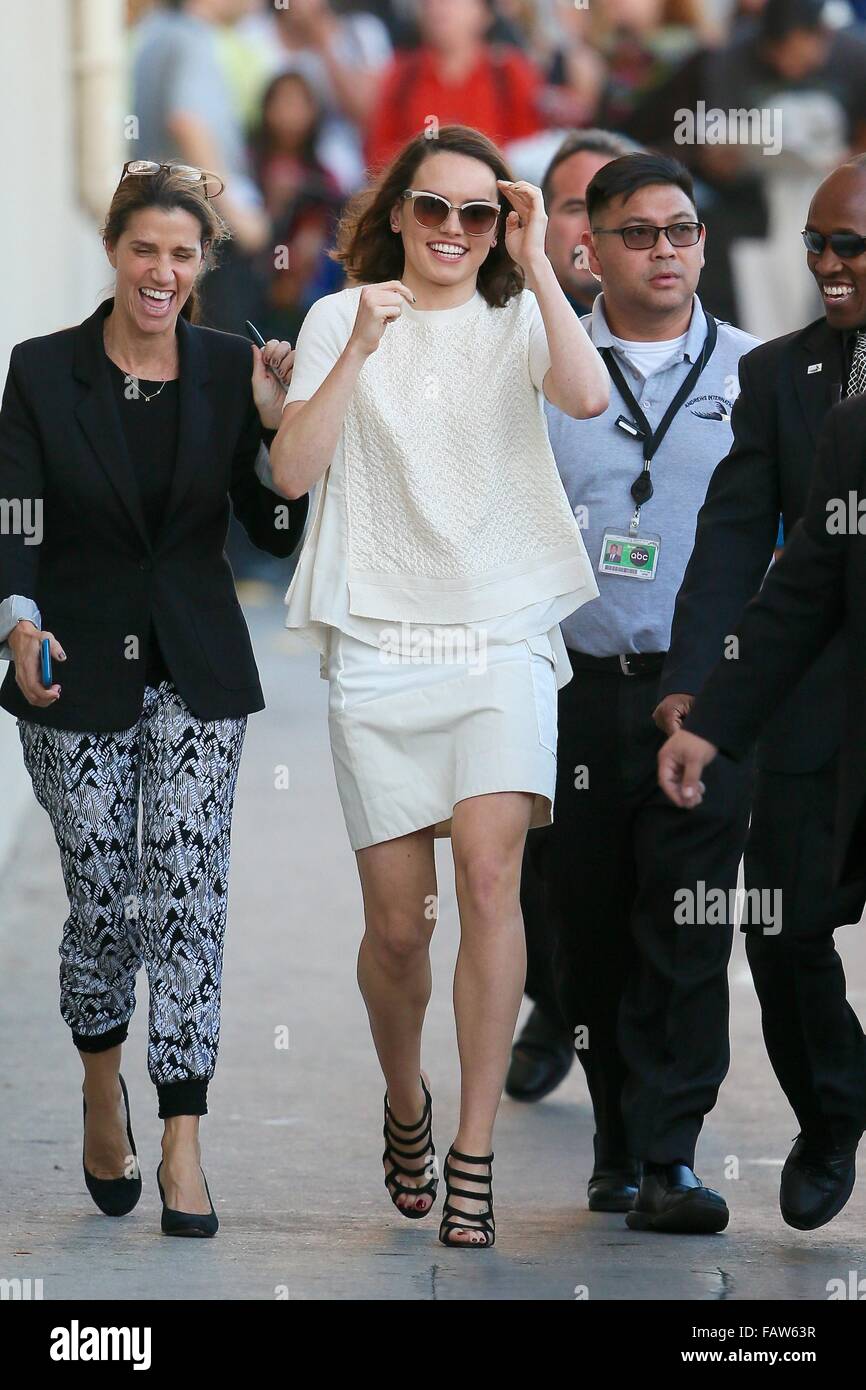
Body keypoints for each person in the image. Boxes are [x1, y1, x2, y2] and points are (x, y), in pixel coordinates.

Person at [269, 123, 609, 1247]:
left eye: (478, 213)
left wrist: (540, 253)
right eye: (433, 209)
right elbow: (290, 471)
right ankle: (404, 1097)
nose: (453, 231)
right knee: (399, 932)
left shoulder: (518, 313)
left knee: (486, 875)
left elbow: (585, 397)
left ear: (498, 223)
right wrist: (360, 348)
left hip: (500, 630)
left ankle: (472, 1147)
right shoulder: (337, 316)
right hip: (377, 638)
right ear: (398, 213)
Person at [0, 163, 309, 1236]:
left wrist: (274, 439)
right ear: (114, 251)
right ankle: (100, 1079)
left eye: (183, 255)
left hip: (194, 665)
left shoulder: (227, 369)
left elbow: (270, 536)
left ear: (200, 266)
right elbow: (18, 517)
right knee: (105, 898)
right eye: (145, 250)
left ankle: (182, 1133)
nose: (162, 272)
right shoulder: (41, 371)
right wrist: (17, 618)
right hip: (72, 664)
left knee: (185, 897)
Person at [539, 152, 761, 1231]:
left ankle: (669, 1156)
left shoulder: (754, 373)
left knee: (684, 929)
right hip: (575, 692)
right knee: (587, 933)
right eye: (638, 233)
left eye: (680, 231)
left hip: (707, 702)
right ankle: (615, 1139)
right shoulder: (542, 367)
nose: (664, 250)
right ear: (589, 249)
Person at [655, 154, 866, 1231]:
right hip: (800, 712)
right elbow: (751, 554)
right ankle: (832, 1113)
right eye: (817, 246)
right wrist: (702, 696)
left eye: (850, 249)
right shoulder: (785, 383)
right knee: (780, 938)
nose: (829, 266)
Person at [507, 128, 633, 1105]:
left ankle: (637, 1101)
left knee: (626, 866)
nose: (588, 225)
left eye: (608, 203)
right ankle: (554, 1002)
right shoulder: (501, 326)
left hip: (641, 648)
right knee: (533, 859)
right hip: (525, 639)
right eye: (572, 205)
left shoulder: (684, 339)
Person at [365, 0, 543, 175]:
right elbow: (379, 158)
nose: (437, 6)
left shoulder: (509, 71)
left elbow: (530, 154)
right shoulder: (402, 74)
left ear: (485, 13)